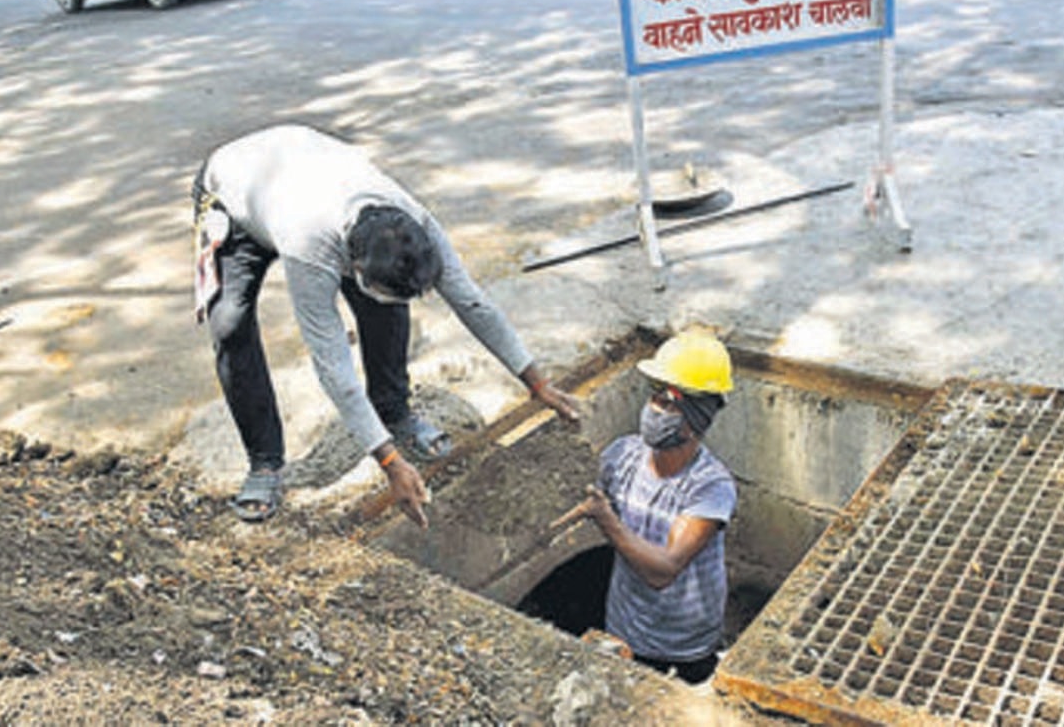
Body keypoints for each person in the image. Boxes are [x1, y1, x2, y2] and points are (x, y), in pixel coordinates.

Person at [193, 125, 580, 525]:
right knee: (230, 324)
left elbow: (473, 302)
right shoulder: (310, 247)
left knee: (388, 308)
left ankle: (393, 413)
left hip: (301, 169)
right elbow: (333, 364)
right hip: (235, 193)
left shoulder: (414, 224)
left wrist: (537, 383)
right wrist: (391, 462)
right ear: (354, 267)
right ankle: (265, 463)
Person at [550, 329, 738, 684]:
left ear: (696, 418)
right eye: (655, 398)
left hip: (684, 646)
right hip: (623, 627)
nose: (655, 411)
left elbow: (663, 571)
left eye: (670, 404)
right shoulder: (621, 455)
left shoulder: (711, 487)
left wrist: (607, 521)